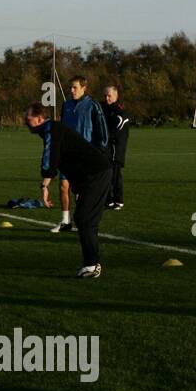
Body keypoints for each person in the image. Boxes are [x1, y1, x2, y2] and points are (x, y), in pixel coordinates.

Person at [24, 102, 113, 278]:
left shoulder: (52, 129)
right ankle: (92, 263)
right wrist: (77, 189)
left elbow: (52, 157)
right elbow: (66, 161)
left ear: (40, 118)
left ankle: (92, 265)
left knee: (83, 218)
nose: (25, 122)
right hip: (91, 176)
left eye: (28, 119)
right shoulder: (50, 130)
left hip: (97, 173)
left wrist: (45, 184)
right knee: (86, 219)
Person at [52, 75, 109, 233]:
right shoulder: (66, 105)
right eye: (70, 87)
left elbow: (102, 132)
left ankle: (83, 221)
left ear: (84, 88)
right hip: (69, 154)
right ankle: (65, 221)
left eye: (75, 87)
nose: (71, 90)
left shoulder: (93, 105)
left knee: (81, 192)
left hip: (86, 156)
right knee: (63, 186)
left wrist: (99, 152)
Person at [101, 84, 130, 209]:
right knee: (106, 174)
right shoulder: (103, 108)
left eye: (109, 96)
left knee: (115, 175)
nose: (107, 98)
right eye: (105, 95)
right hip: (106, 148)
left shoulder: (120, 110)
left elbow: (118, 127)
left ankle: (118, 200)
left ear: (116, 96)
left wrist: (105, 137)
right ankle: (109, 200)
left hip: (116, 149)